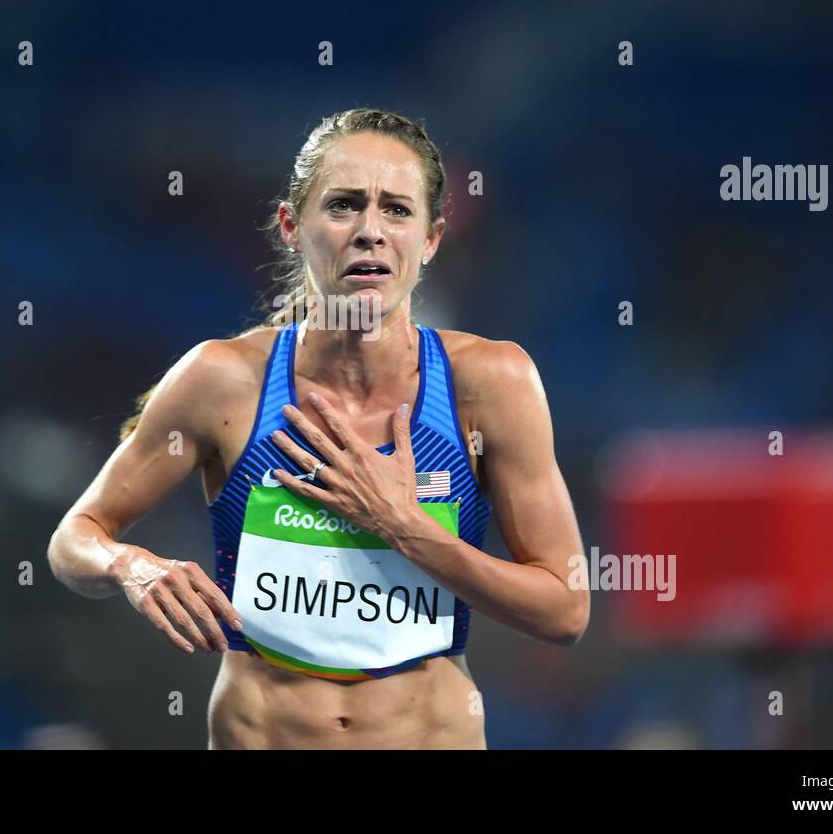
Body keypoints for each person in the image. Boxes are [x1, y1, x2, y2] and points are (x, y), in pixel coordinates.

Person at [47, 108, 588, 749]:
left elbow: (565, 609)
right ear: (291, 228)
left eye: (396, 210)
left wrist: (405, 527)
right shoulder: (222, 381)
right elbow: (73, 539)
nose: (370, 232)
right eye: (344, 205)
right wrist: (130, 566)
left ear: (432, 239)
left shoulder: (492, 384)